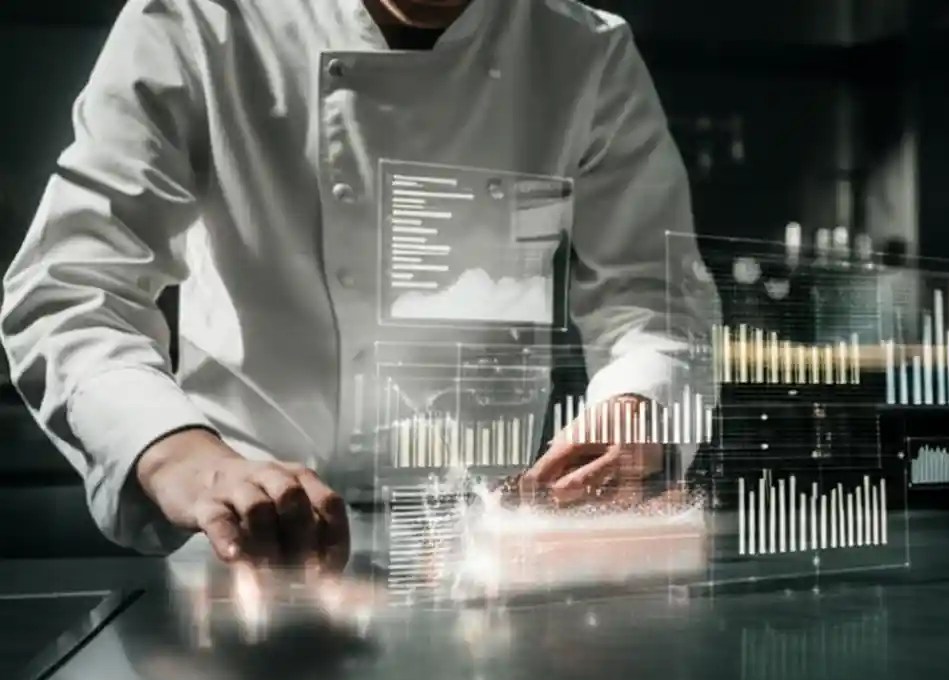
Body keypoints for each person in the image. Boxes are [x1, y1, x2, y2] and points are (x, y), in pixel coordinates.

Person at [1, 0, 715, 569]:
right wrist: (181, 455)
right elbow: (71, 288)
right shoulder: (200, 20)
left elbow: (652, 295)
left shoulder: (584, 51)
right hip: (244, 542)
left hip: (484, 550)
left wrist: (640, 406)